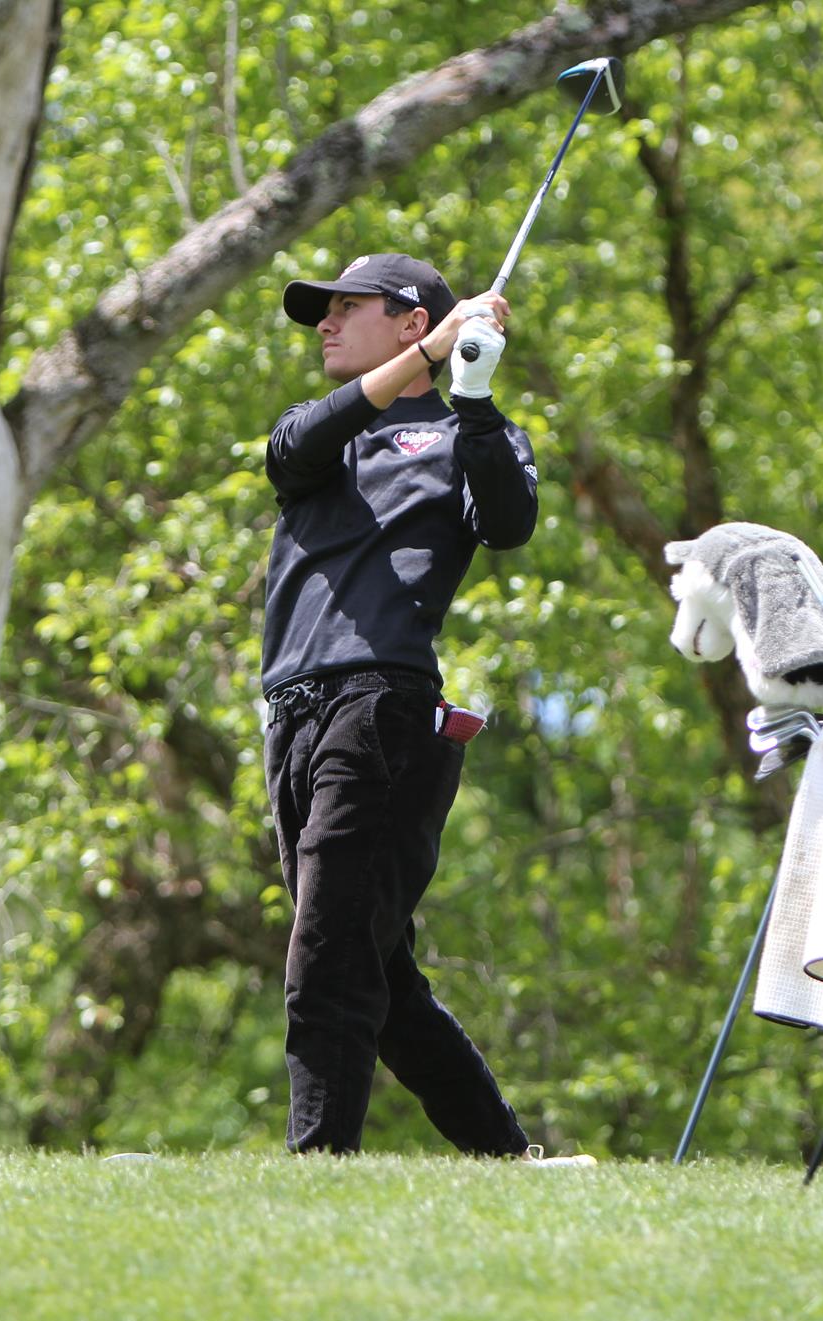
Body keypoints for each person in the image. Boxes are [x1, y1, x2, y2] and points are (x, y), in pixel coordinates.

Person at [261, 252, 590, 1165]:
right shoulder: (317, 433)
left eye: (346, 306)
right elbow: (292, 448)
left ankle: (317, 1162)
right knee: (380, 972)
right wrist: (428, 359)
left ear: (412, 319)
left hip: (382, 711)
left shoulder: (458, 438)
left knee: (328, 954)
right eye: (322, 311)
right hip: (290, 716)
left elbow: (508, 520)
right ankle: (510, 1159)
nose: (324, 322)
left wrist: (474, 395)